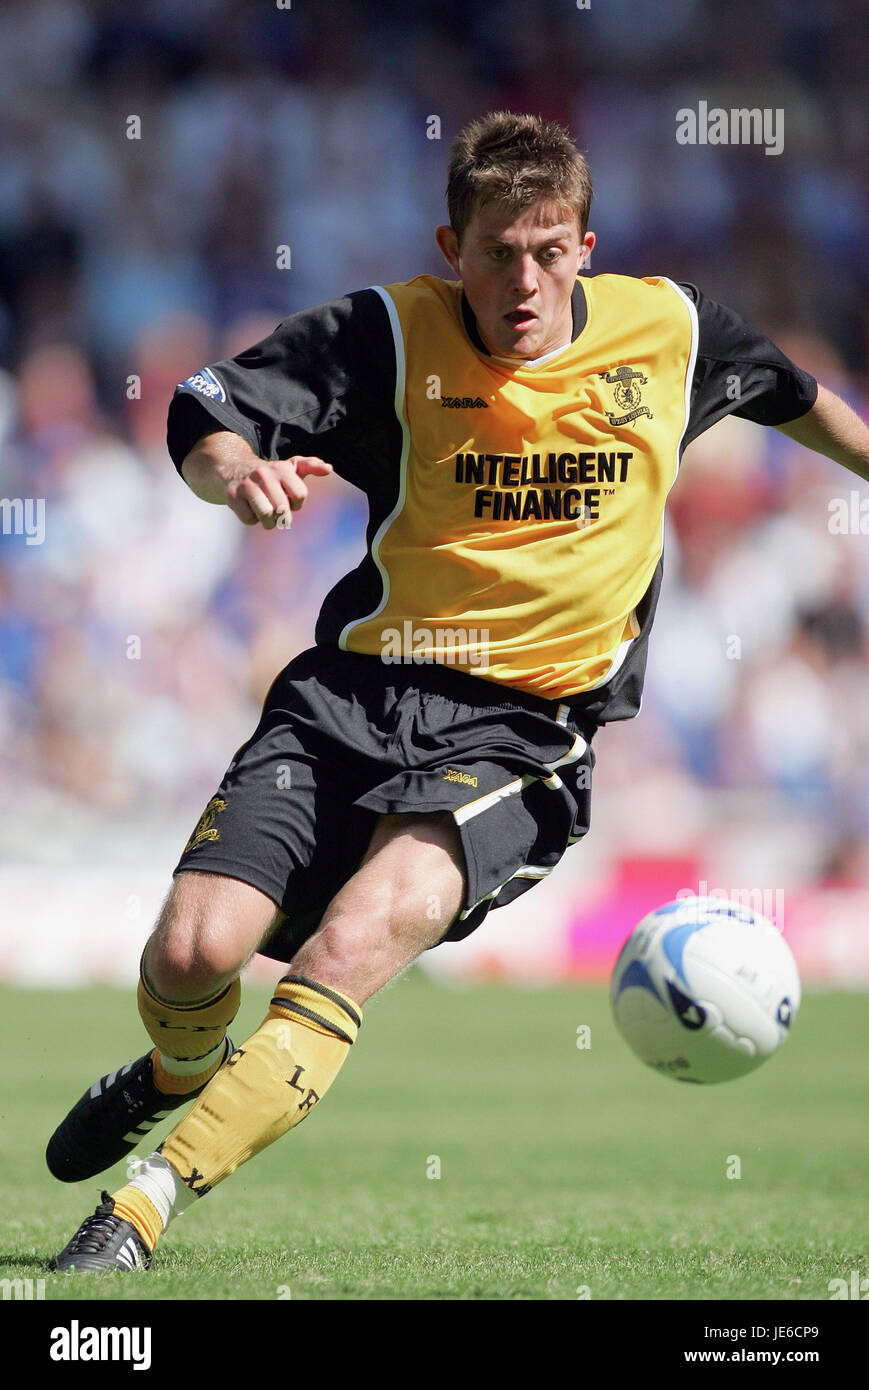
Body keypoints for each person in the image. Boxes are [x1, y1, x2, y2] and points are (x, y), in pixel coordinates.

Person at [49, 111, 869, 1271]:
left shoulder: (669, 332)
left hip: (524, 735)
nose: (522, 282)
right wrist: (240, 475)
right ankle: (176, 1068)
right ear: (453, 245)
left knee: (352, 943)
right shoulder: (389, 336)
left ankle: (141, 1207)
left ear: (587, 244)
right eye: (496, 253)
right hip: (349, 698)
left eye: (547, 250)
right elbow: (205, 409)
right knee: (192, 955)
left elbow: (790, 392)